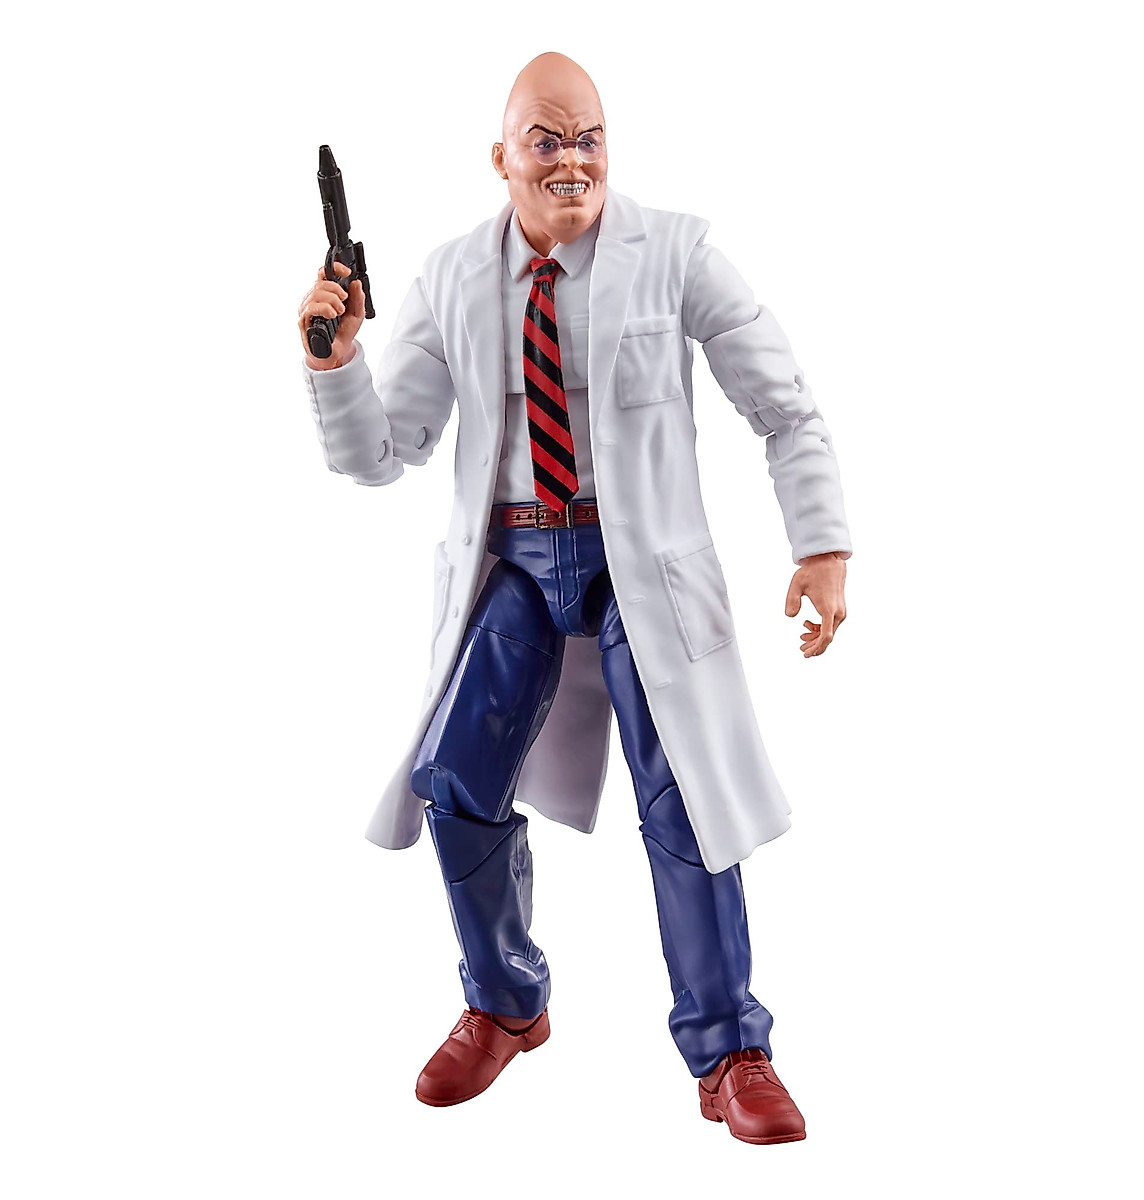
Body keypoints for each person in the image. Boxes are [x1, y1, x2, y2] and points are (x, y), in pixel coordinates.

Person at [297, 52, 851, 1144]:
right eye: (545, 140)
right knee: (453, 776)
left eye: (588, 138)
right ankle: (506, 1000)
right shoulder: (454, 277)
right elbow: (381, 453)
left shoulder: (675, 252)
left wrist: (822, 543)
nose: (571, 160)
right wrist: (336, 363)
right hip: (512, 558)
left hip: (635, 567)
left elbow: (784, 404)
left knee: (684, 793)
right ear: (500, 158)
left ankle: (729, 1046)